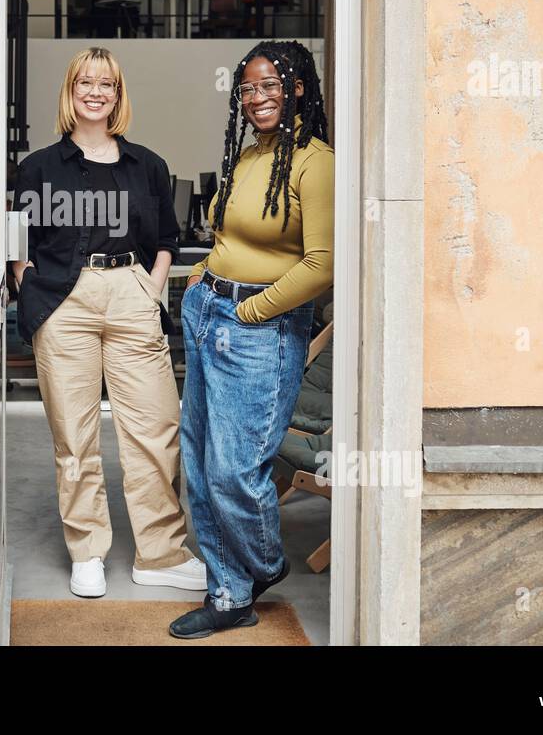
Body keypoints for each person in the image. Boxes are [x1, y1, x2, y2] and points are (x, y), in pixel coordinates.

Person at [11, 46, 207, 598]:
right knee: (74, 437)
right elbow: (17, 239)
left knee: (154, 429)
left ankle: (161, 553)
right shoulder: (39, 167)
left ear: (118, 96)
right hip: (63, 302)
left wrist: (151, 286)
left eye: (107, 85)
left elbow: (166, 239)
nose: (96, 92)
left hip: (130, 291)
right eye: (85, 83)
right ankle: (87, 550)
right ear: (70, 92)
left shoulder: (147, 164)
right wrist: (26, 283)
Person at [169, 39, 335, 639]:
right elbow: (228, 231)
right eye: (248, 88)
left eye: (270, 85)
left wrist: (253, 310)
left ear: (296, 88)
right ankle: (229, 592)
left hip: (258, 329)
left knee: (235, 471)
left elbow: (322, 264)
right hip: (208, 310)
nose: (257, 97)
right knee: (200, 458)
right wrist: (201, 281)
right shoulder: (247, 156)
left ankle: (263, 565)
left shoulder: (318, 163)